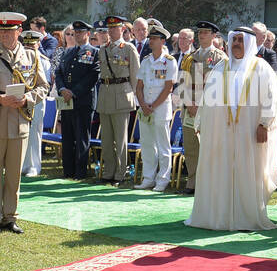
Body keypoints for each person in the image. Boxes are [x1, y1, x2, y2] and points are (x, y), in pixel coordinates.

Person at [185, 26, 277, 232]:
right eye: (234, 39)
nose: (236, 43)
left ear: (249, 43)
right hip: (222, 132)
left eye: (240, 39)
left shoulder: (261, 67)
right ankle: (220, 216)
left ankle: (246, 217)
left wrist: (264, 124)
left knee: (248, 172)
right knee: (222, 171)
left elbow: (270, 98)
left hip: (251, 130)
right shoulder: (221, 67)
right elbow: (207, 99)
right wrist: (201, 123)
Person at [0, 12, 48, 234]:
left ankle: (10, 217)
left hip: (19, 121)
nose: (4, 36)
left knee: (14, 173)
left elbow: (43, 86)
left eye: (9, 32)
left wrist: (28, 99)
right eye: (1, 32)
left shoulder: (31, 56)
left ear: (18, 33)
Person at [177, 21, 226, 194]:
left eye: (206, 32)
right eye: (200, 33)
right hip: (190, 110)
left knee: (210, 148)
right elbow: (182, 83)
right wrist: (190, 104)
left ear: (214, 36)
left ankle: (209, 183)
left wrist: (202, 106)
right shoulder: (190, 57)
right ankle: (193, 182)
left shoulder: (221, 58)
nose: (202, 35)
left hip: (209, 110)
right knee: (191, 148)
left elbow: (221, 87)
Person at [94, 15, 141, 186]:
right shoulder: (103, 49)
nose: (112, 31)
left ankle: (121, 173)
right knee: (106, 138)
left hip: (122, 94)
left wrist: (137, 98)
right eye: (110, 28)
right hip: (106, 94)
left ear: (122, 29)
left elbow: (136, 75)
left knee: (121, 138)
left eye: (115, 28)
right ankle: (108, 171)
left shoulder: (128, 49)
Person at [55, 21, 100, 179]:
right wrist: (62, 89)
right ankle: (68, 171)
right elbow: (58, 72)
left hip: (83, 101)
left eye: (81, 32)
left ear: (88, 34)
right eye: (76, 32)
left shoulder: (94, 52)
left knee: (81, 138)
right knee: (67, 137)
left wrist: (73, 92)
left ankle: (80, 173)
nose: (77, 35)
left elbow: (93, 76)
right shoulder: (68, 52)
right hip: (66, 101)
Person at [134, 23, 176, 191]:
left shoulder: (169, 61)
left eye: (154, 38)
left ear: (163, 41)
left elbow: (168, 87)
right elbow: (139, 86)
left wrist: (152, 106)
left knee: (163, 144)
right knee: (146, 144)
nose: (151, 41)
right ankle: (148, 177)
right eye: (150, 38)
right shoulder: (146, 61)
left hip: (160, 108)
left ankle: (163, 179)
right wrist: (144, 105)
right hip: (146, 108)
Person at [20, 27, 53, 177]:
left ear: (38, 44)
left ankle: (33, 166)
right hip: (20, 101)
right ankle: (20, 164)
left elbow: (44, 85)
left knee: (34, 133)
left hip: (37, 102)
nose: (29, 48)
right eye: (27, 45)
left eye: (32, 45)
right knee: (20, 133)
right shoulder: (18, 59)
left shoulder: (44, 61)